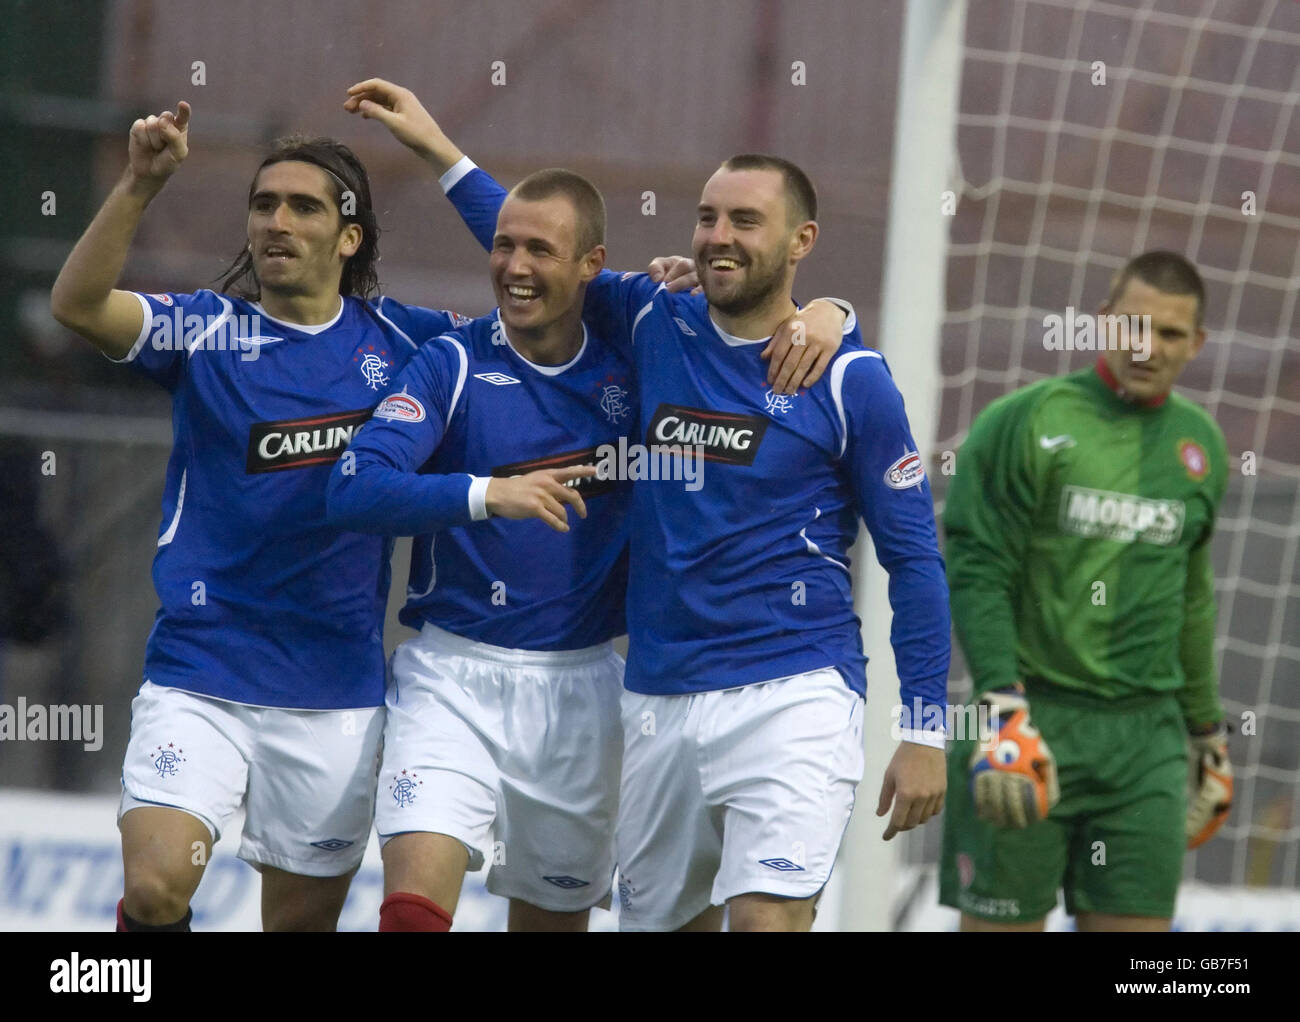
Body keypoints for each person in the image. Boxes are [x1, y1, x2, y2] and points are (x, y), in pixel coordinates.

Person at [327, 79, 852, 931]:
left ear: (591, 271)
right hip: (449, 675)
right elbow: (351, 487)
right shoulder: (455, 361)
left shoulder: (640, 350)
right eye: (503, 249)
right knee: (413, 913)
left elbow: (758, 320)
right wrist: (487, 494)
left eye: (541, 253)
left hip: (589, 692)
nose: (515, 267)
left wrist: (836, 313)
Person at [48, 101, 502, 930]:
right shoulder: (205, 330)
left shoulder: (409, 345)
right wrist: (140, 183)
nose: (277, 222)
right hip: (202, 670)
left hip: (333, 690)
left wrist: (825, 312)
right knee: (155, 889)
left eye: (304, 207)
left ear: (350, 237)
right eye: (263, 205)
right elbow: (77, 305)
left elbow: (537, 279)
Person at [559, 156, 951, 932]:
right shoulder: (654, 319)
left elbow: (914, 561)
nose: (717, 237)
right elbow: (535, 244)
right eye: (707, 218)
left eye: (745, 221)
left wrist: (924, 730)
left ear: (801, 239)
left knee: (766, 919)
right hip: (659, 692)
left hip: (795, 687)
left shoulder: (849, 376)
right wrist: (439, 150)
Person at [938, 250, 1233, 932]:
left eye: (1168, 334)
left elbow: (1191, 596)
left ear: (1196, 344)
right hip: (1033, 720)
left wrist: (1208, 732)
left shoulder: (1202, 446)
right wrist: (1002, 705)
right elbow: (979, 569)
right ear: (1101, 323)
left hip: (1145, 744)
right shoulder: (1024, 421)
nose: (1147, 347)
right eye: (1133, 326)